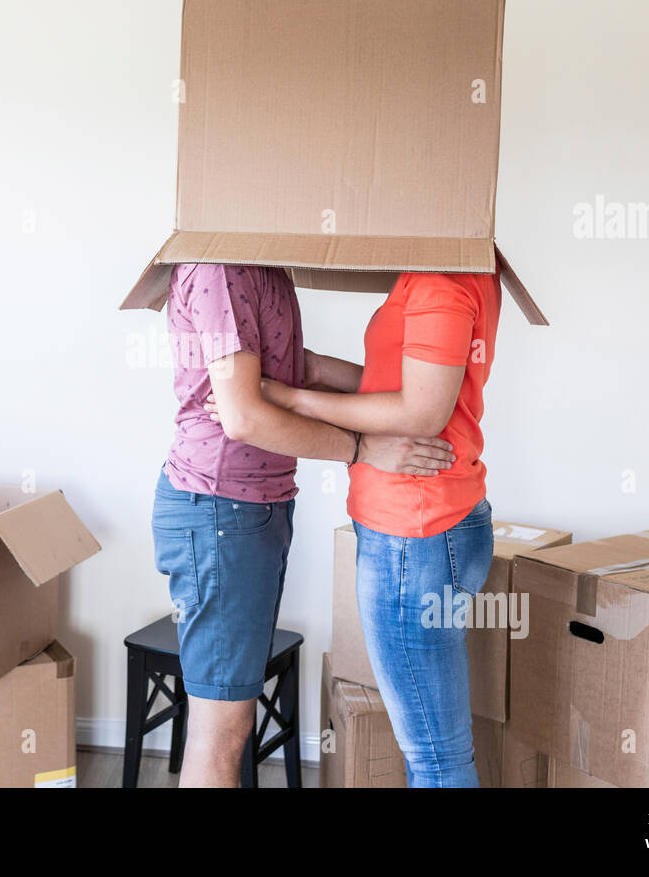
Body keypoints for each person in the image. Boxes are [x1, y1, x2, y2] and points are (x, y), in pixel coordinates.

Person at [154, 262, 457, 788]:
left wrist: (412, 398)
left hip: (251, 511)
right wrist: (363, 448)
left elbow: (300, 368)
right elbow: (244, 416)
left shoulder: (264, 263)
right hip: (222, 512)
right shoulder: (220, 268)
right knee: (220, 733)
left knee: (230, 722)